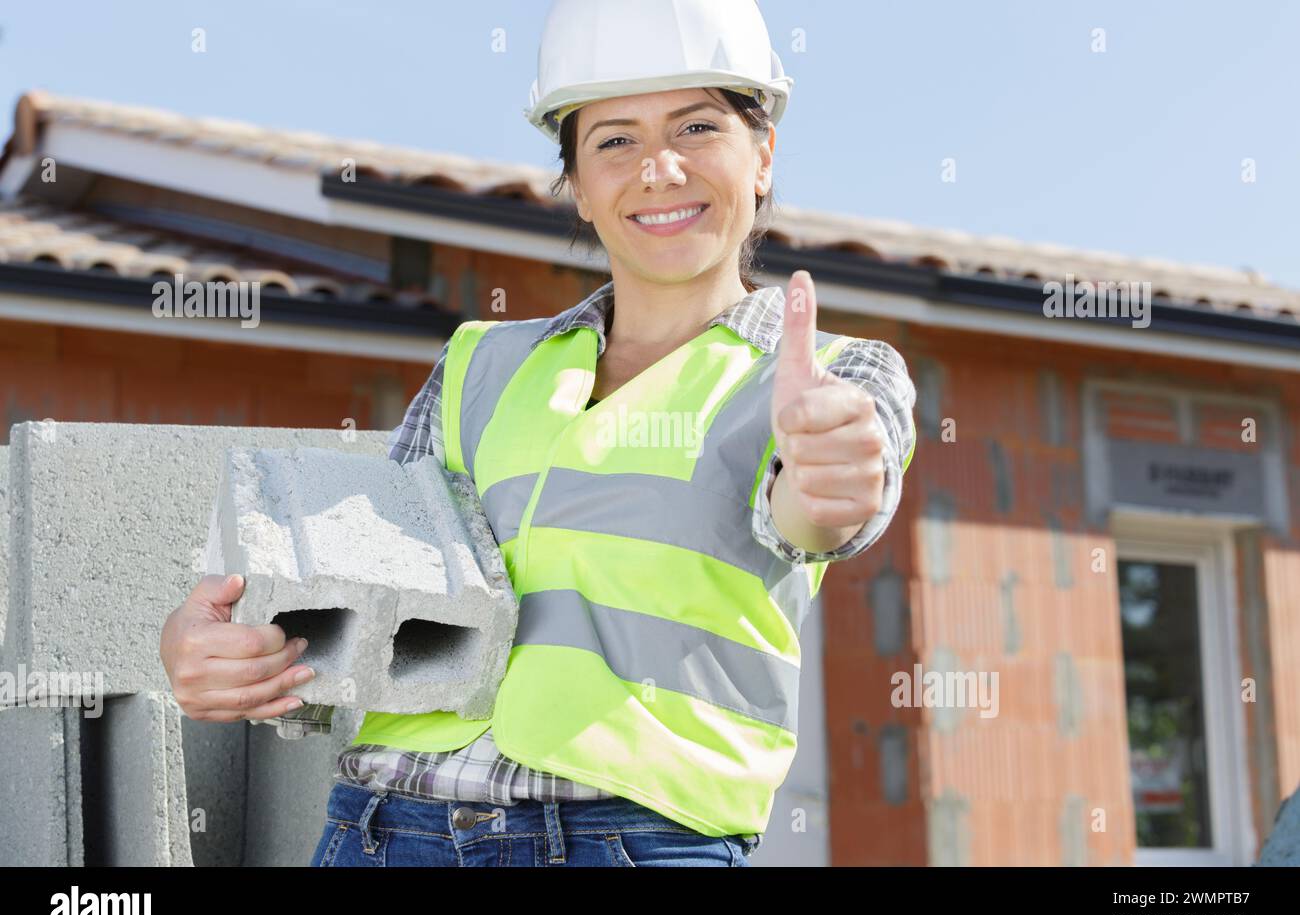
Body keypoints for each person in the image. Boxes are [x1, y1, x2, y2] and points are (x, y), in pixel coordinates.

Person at [160, 0, 917, 867]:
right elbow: (356, 586)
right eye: (614, 141)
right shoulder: (481, 365)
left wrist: (829, 477)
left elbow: (822, 512)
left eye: (698, 126)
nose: (660, 169)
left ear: (763, 156)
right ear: (579, 190)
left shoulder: (838, 376)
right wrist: (206, 645)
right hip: (381, 829)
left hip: (631, 841)